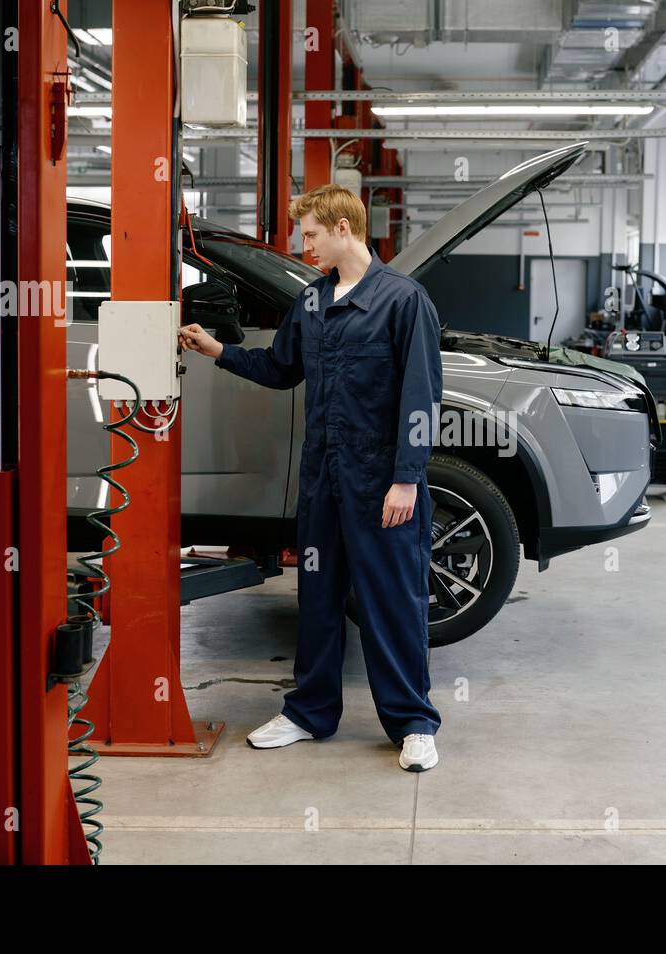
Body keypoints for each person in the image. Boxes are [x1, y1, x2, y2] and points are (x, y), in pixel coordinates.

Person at [179, 185, 443, 772]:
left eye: (312, 235)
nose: (306, 245)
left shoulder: (403, 302)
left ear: (344, 228)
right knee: (318, 599)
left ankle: (413, 722)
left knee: (391, 603)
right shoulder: (313, 302)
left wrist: (407, 478)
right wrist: (218, 349)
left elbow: (422, 399)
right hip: (324, 480)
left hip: (381, 484)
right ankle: (308, 714)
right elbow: (280, 369)